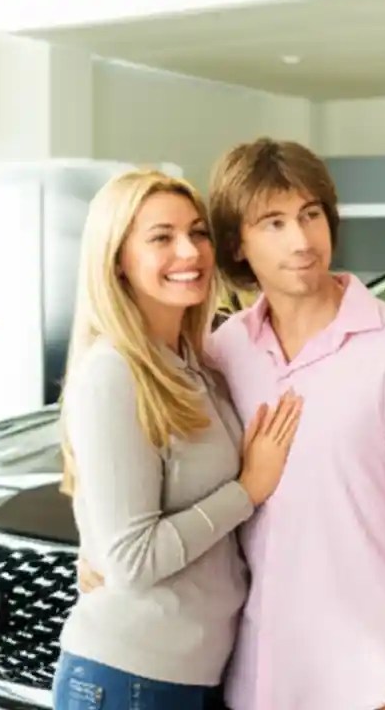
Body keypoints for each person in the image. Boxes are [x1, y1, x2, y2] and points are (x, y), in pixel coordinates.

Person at [204, 138, 385, 709]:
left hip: (377, 682)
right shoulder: (223, 352)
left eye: (310, 215)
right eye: (274, 223)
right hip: (253, 683)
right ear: (238, 243)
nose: (302, 240)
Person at [54, 169, 301, 709]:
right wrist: (248, 489)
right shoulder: (113, 372)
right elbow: (132, 560)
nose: (189, 251)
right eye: (161, 237)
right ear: (117, 258)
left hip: (194, 673)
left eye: (198, 232)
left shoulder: (197, 364)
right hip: (130, 678)